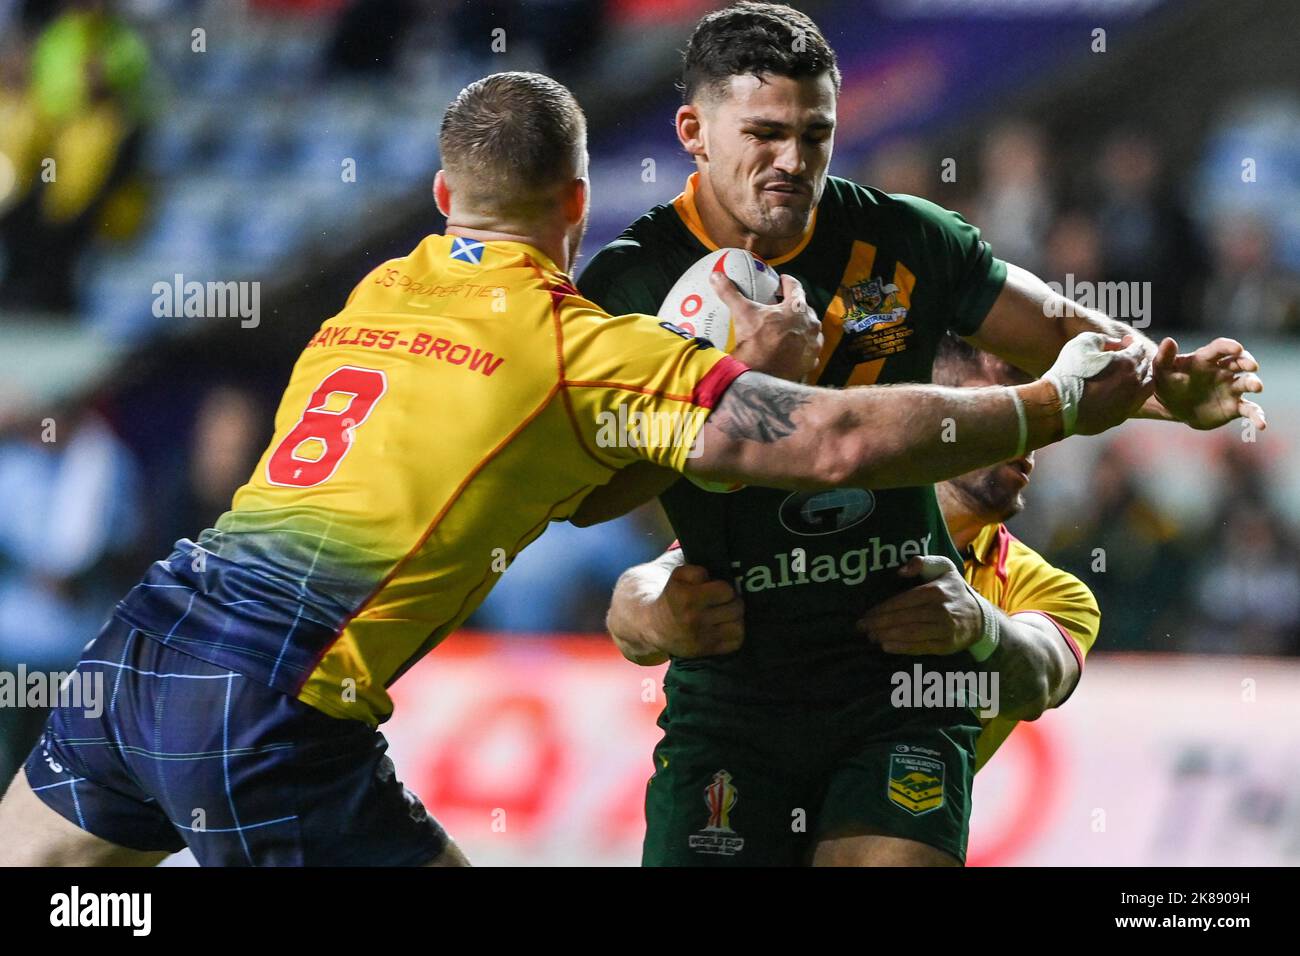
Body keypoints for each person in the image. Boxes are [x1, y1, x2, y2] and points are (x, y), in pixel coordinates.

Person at [0, 71, 1151, 867]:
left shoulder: (386, 281)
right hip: (277, 691)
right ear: (579, 208)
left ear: (447, 198)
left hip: (148, 635)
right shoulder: (577, 346)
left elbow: (547, 474)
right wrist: (1048, 399)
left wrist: (699, 366)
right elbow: (834, 438)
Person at [575, 2, 1265, 867]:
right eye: (764, 133)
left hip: (899, 682)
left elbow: (1059, 332)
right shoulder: (624, 282)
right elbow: (583, 494)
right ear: (693, 130)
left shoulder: (906, 242)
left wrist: (1170, 387)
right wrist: (725, 396)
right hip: (735, 684)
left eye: (816, 134)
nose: (793, 162)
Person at [607, 336, 1101, 869]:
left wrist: (980, 625)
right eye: (1001, 412)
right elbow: (643, 596)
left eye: (1033, 420)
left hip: (883, 809)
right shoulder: (820, 507)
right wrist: (660, 614)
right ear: (936, 412)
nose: (1025, 441)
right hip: (743, 779)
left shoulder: (1047, 588)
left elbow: (1043, 678)